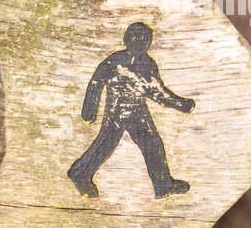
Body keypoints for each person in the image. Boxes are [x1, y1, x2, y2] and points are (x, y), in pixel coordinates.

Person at [67, 22, 194, 199]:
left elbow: (157, 91)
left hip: (136, 111)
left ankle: (162, 185)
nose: (139, 41)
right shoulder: (116, 61)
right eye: (135, 37)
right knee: (109, 145)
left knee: (151, 145)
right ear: (127, 39)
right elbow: (96, 82)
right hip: (118, 112)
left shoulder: (146, 63)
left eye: (143, 38)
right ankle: (80, 173)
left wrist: (181, 104)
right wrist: (89, 110)